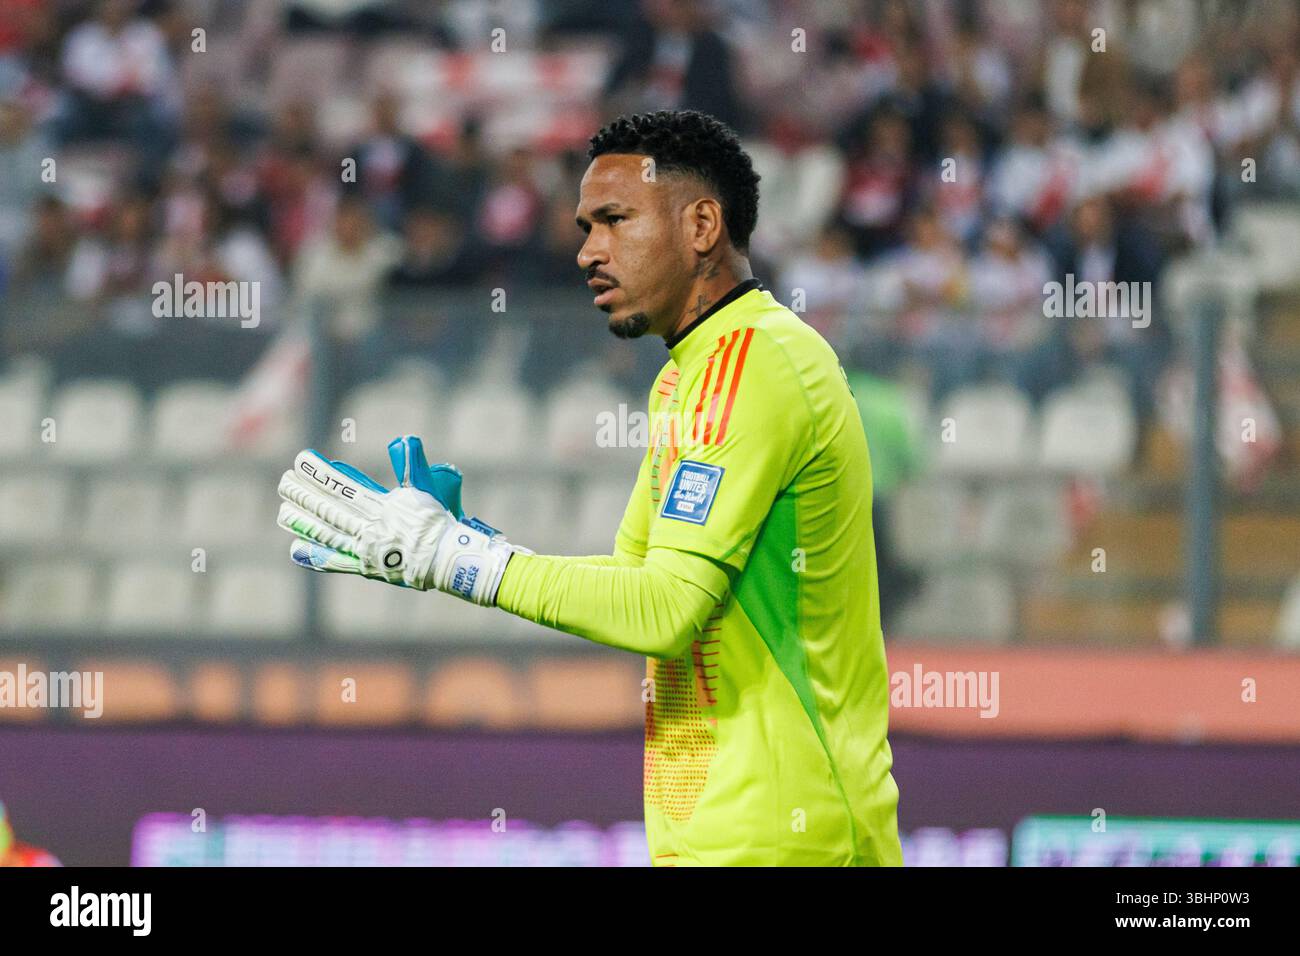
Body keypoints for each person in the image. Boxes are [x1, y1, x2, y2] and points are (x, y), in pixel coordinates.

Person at [276, 110, 902, 867]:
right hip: (724, 838)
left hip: (788, 838)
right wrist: (470, 547)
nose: (587, 252)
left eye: (614, 220)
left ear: (702, 224)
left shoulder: (756, 365)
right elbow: (637, 582)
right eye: (584, 227)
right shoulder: (689, 375)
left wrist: (456, 561)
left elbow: (665, 611)